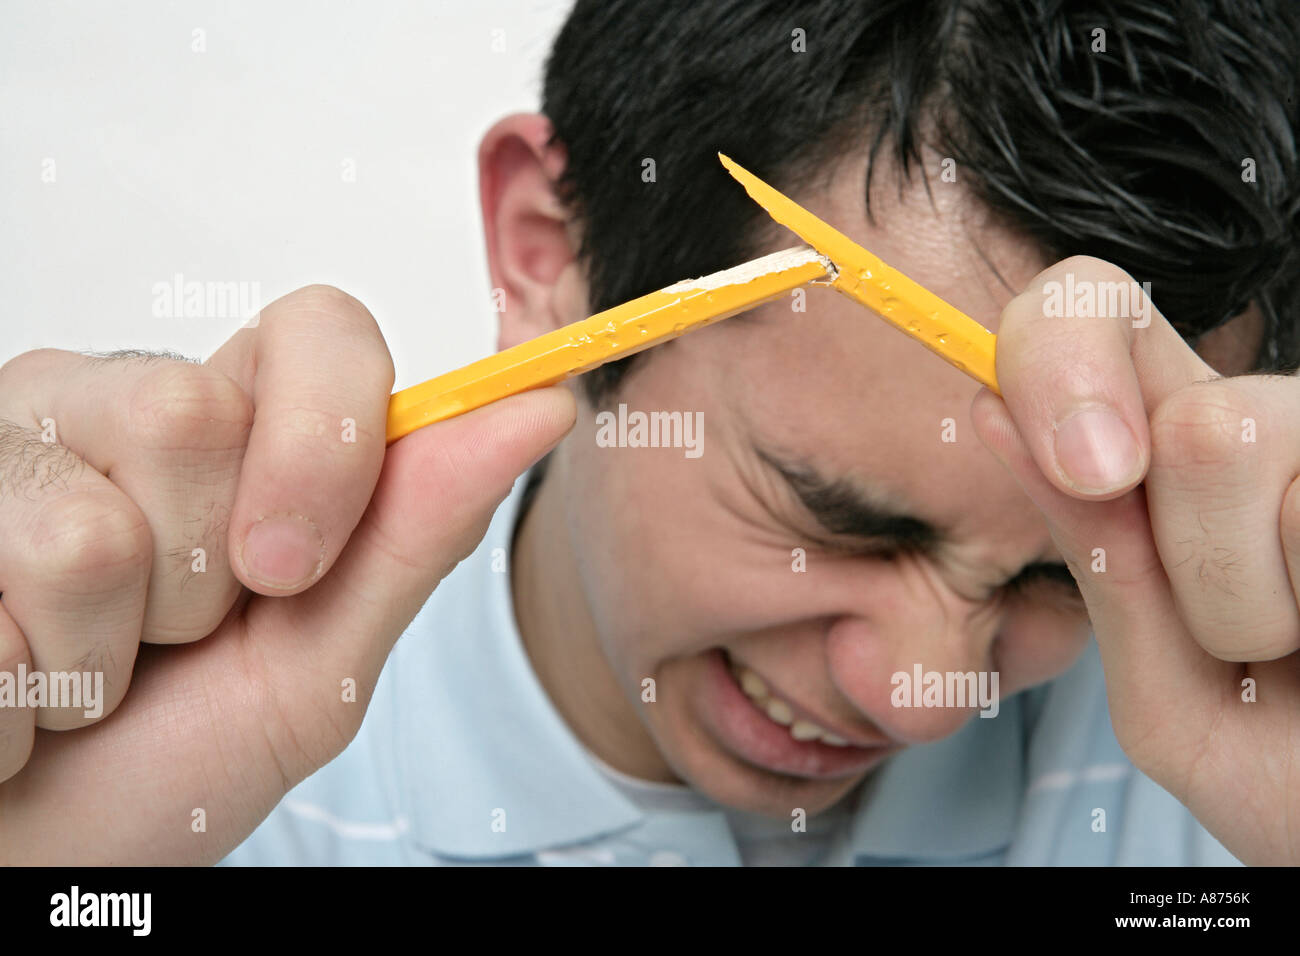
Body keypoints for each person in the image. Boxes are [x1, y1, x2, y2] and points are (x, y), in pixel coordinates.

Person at [1, 0, 1296, 865]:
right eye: (828, 514)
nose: (916, 692)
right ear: (551, 255)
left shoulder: (1230, 767)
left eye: (1059, 578)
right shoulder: (201, 797)